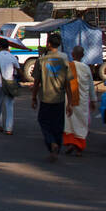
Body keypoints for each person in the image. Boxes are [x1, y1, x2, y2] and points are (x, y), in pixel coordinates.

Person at [31, 32, 76, 162]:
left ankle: (52, 143)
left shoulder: (41, 60)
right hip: (60, 98)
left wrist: (33, 97)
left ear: (49, 44)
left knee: (43, 121)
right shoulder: (64, 58)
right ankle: (56, 147)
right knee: (58, 124)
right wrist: (70, 102)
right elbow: (68, 83)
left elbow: (36, 82)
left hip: (45, 97)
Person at [62, 45, 96, 155]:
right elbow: (91, 86)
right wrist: (94, 100)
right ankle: (79, 148)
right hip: (82, 100)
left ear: (72, 55)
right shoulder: (86, 68)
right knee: (81, 123)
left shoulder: (68, 66)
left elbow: (63, 84)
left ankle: (71, 143)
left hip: (69, 100)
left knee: (69, 122)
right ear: (83, 55)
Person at [0, 38, 19, 134]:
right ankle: (9, 128)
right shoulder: (12, 57)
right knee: (9, 106)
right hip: (9, 83)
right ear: (8, 46)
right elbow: (18, 69)